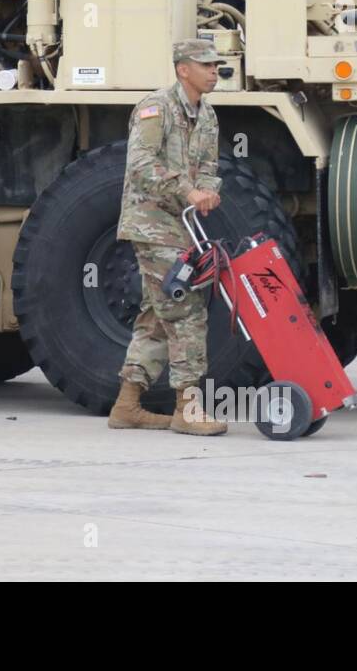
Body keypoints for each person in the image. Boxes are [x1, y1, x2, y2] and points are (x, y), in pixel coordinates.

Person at [109, 38, 228, 435]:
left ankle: (127, 405)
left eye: (216, 66)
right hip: (151, 222)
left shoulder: (207, 116)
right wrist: (187, 191)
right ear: (183, 69)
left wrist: (209, 190)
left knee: (156, 315)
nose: (215, 72)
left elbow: (209, 165)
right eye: (206, 65)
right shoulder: (155, 108)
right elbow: (141, 163)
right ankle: (187, 407)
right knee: (185, 305)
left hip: (182, 225)